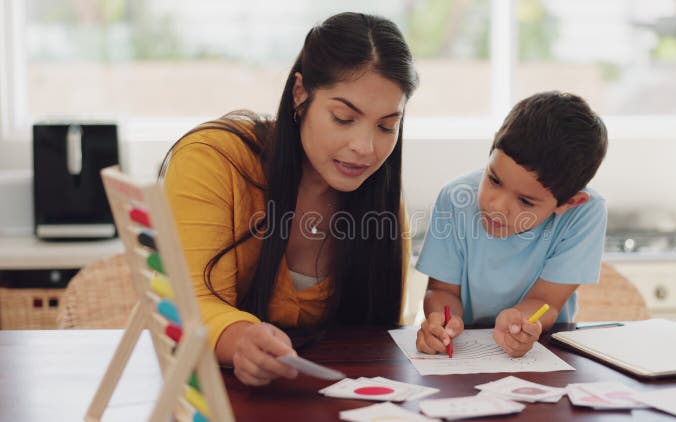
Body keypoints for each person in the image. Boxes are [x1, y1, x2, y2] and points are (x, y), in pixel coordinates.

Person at [161, 12, 418, 386]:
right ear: (300, 94)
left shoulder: (382, 202)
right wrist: (240, 341)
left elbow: (382, 336)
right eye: (343, 118)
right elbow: (186, 303)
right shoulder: (211, 159)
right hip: (214, 394)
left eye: (386, 126)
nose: (364, 148)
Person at [414, 91, 608, 358]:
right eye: (494, 180)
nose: (496, 206)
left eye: (526, 202)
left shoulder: (585, 213)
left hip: (542, 352)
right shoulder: (455, 199)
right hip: (464, 351)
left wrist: (519, 322)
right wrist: (441, 322)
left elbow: (546, 302)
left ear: (569, 202)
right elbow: (441, 290)